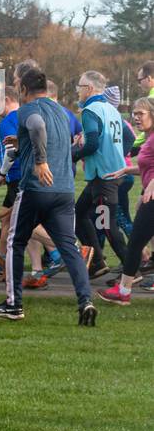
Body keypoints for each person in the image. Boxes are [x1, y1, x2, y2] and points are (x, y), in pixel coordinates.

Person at [0, 63, 95, 324]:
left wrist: (39, 160)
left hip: (36, 188)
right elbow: (54, 136)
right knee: (69, 247)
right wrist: (21, 141)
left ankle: (13, 304)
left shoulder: (28, 109)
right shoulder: (62, 112)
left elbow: (37, 126)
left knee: (15, 241)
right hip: (64, 189)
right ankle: (86, 301)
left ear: (24, 89)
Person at [72, 70, 128, 279]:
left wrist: (72, 154)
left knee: (106, 225)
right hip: (109, 173)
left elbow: (93, 144)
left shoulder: (89, 110)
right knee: (79, 213)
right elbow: (128, 137)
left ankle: (132, 270)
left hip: (103, 177)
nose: (78, 91)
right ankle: (98, 262)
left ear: (90, 89)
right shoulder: (111, 109)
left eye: (80, 86)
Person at [99, 97, 154, 304]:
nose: (136, 117)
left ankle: (123, 292)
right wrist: (126, 169)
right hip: (149, 196)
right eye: (134, 113)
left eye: (141, 113)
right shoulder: (148, 137)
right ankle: (123, 290)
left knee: (135, 244)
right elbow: (147, 166)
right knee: (136, 243)